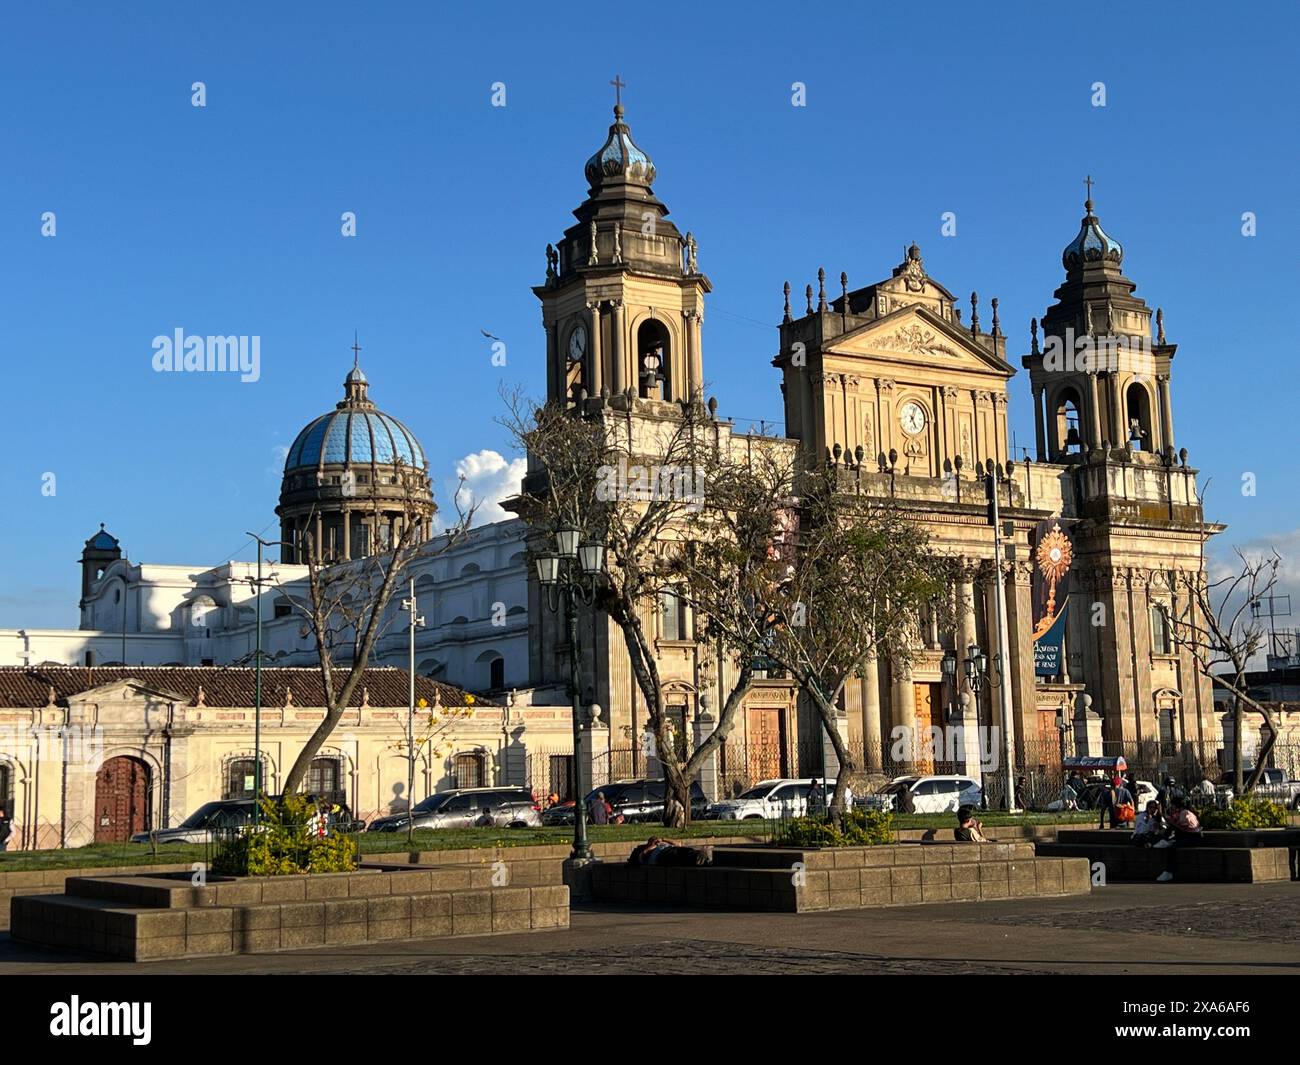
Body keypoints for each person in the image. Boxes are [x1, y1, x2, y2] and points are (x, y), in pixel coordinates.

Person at [1155, 796, 1203, 882]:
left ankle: (1169, 872)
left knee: (1172, 848)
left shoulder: (1185, 813)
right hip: (1188, 836)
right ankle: (1166, 841)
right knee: (1171, 829)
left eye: (1172, 805)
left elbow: (1184, 829)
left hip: (1193, 837)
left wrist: (1171, 822)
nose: (1171, 806)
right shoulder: (1182, 812)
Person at [627, 837, 713, 867]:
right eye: (652, 840)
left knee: (686, 851)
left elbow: (678, 843)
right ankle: (701, 859)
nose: (655, 841)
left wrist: (663, 839)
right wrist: (654, 845)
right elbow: (644, 854)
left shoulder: (664, 843)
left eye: (656, 839)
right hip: (662, 856)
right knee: (677, 857)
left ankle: (702, 857)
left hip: (672, 849)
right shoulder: (646, 851)